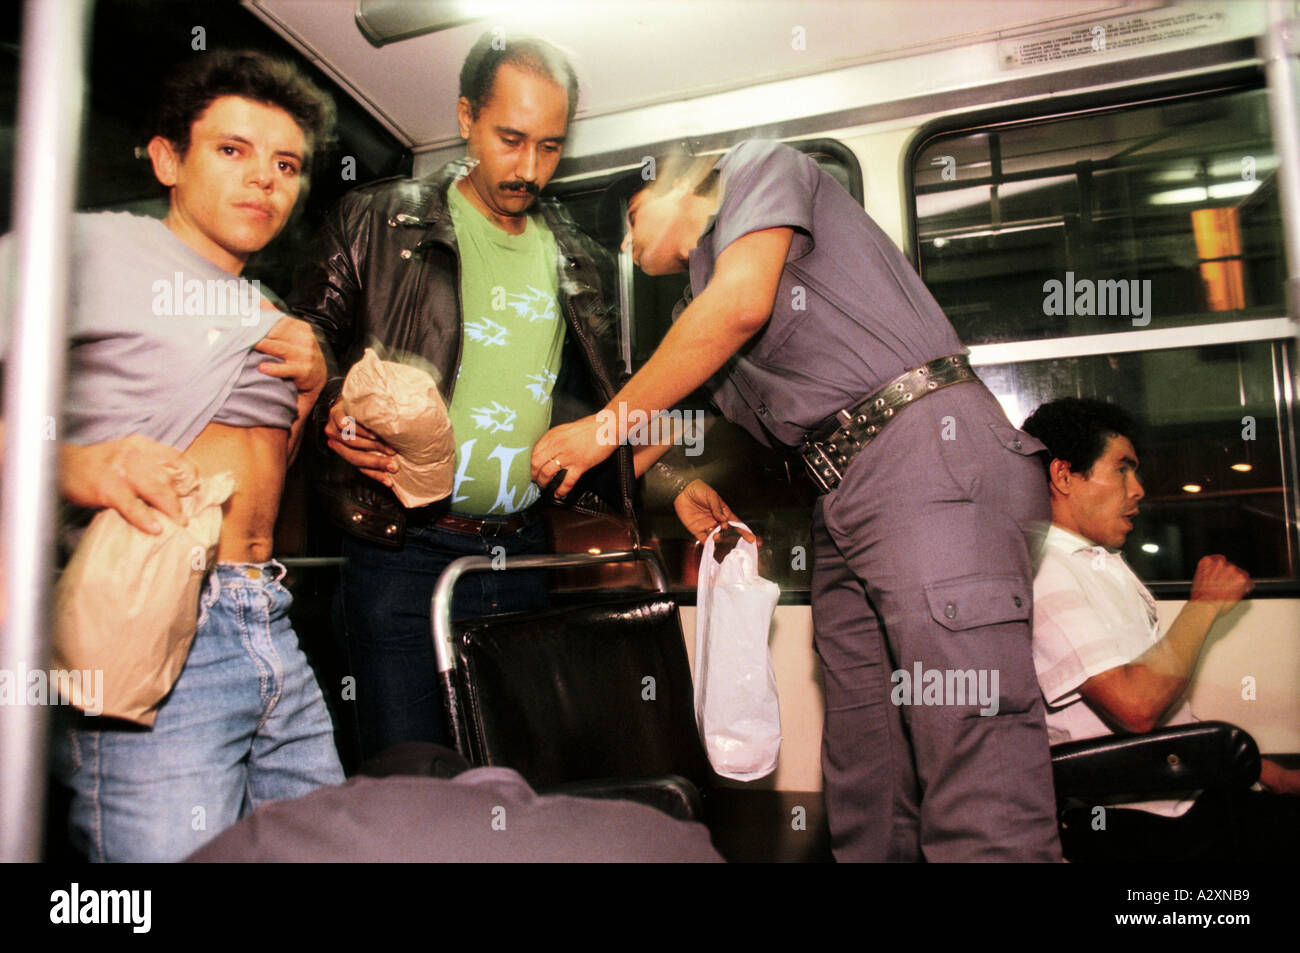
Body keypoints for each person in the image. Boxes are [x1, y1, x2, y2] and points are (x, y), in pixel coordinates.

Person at [532, 140, 1062, 861]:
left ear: (679, 183)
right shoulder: (698, 314)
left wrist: (602, 425)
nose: (628, 244)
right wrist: (666, 482)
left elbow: (740, 307)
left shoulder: (759, 166)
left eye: (630, 219)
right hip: (844, 499)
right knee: (866, 750)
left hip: (923, 457)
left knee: (968, 739)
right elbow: (651, 442)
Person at [1, 49, 343, 861]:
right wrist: (79, 466)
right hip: (151, 625)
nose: (264, 178)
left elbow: (262, 475)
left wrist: (312, 387)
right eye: (232, 150)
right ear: (167, 158)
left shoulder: (268, 311)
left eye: (285, 163)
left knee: (332, 850)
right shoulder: (86, 248)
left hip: (268, 621)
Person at [290, 32, 631, 762]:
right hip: (401, 550)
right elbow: (304, 351)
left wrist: (672, 479)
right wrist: (331, 416)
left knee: (517, 778)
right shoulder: (378, 222)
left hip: (523, 552)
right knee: (412, 785)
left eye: (550, 147)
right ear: (466, 117)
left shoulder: (578, 259)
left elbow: (606, 402)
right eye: (511, 139)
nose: (529, 168)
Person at [1020, 397, 1300, 821]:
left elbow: (1167, 707)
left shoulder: (1096, 564)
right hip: (1149, 814)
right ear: (1064, 475)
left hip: (1184, 790)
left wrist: (1267, 772)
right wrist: (1204, 606)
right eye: (1122, 469)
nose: (1138, 489)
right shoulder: (1047, 571)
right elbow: (1136, 707)